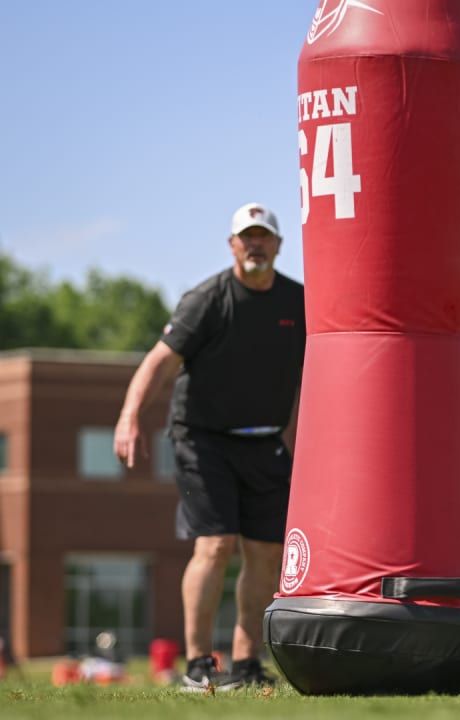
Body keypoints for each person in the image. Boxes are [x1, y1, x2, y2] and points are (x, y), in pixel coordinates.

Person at [113, 202, 305, 691]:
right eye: (247, 237)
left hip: (264, 443)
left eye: (264, 237)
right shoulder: (207, 300)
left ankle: (245, 665)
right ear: (232, 245)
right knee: (216, 544)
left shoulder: (298, 303)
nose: (255, 244)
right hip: (202, 439)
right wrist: (130, 416)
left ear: (279, 246)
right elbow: (159, 362)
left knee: (265, 555)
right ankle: (199, 664)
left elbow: (323, 369)